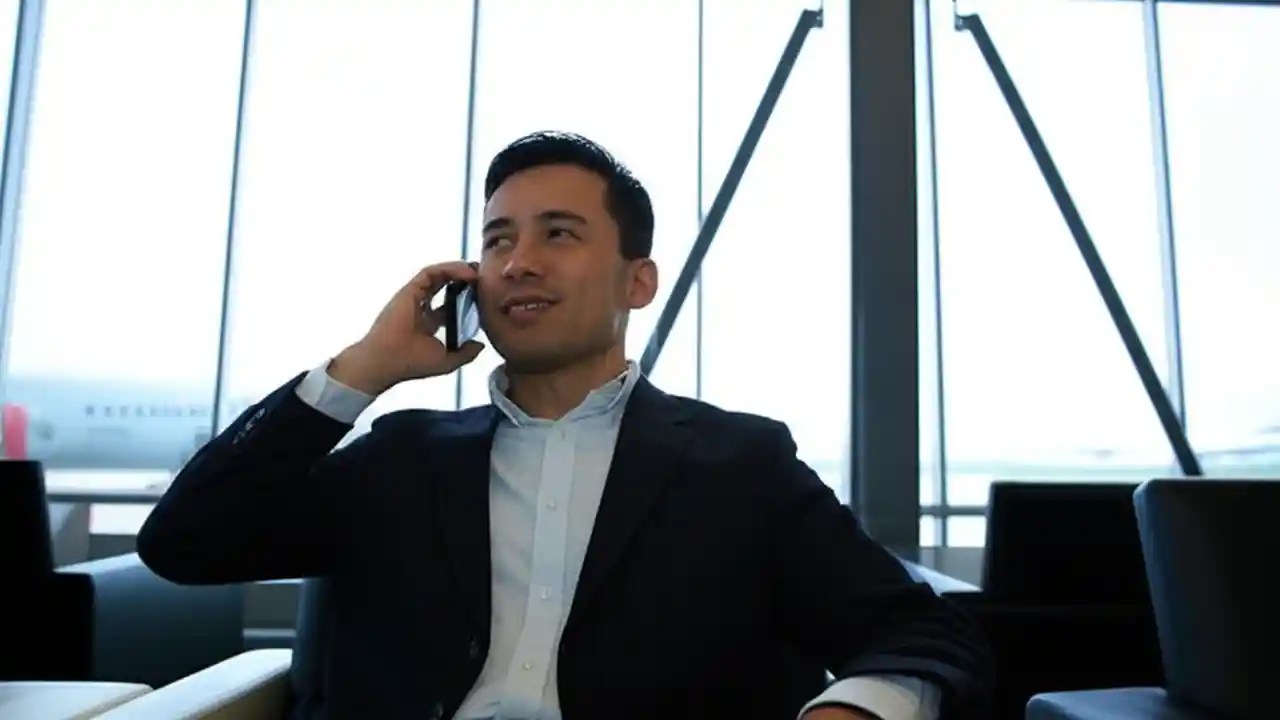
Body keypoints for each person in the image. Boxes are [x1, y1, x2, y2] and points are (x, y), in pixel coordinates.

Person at [137, 131, 993, 719]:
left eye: (560, 234)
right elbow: (185, 542)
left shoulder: (742, 464)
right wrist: (362, 369)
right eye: (498, 238)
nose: (518, 262)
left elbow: (920, 629)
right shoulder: (400, 459)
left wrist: (852, 706)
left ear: (638, 281)